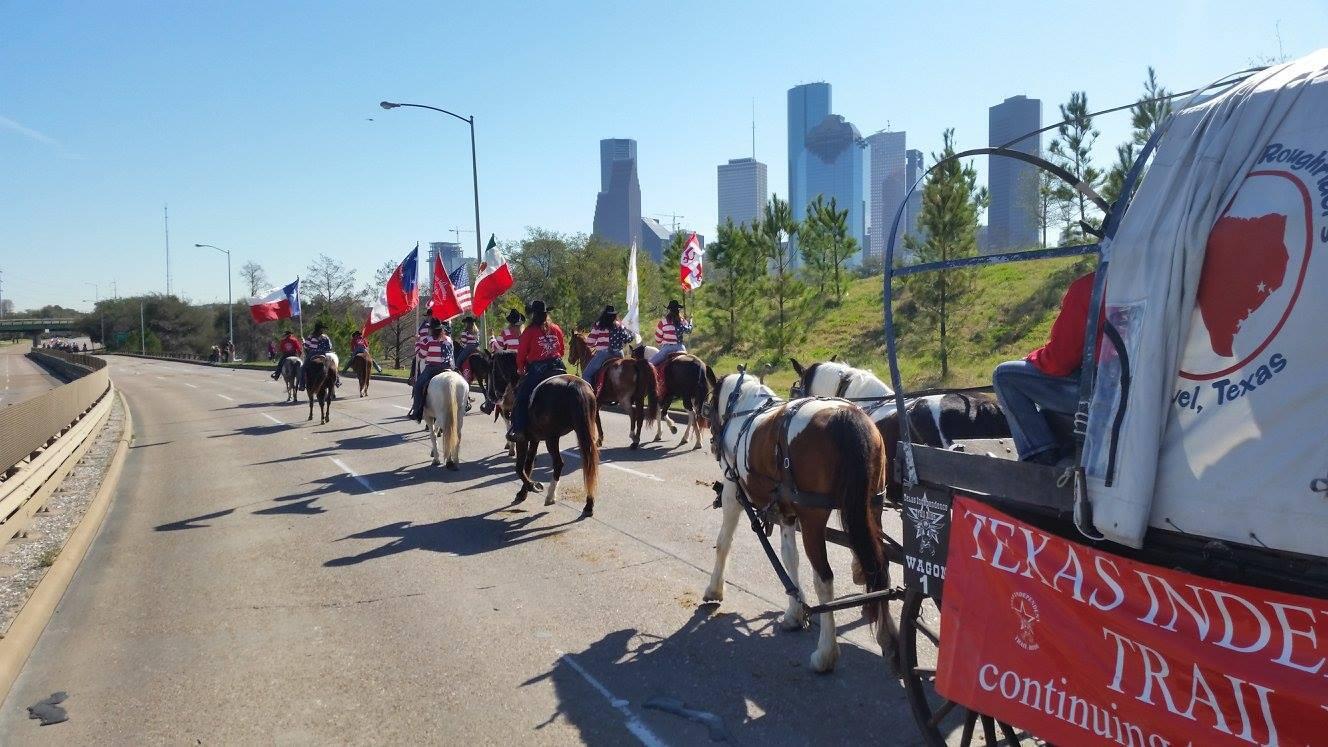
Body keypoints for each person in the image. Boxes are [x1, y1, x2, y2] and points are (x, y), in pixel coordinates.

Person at [991, 271, 1098, 467]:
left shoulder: (1091, 286)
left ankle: (1040, 455)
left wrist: (1032, 359)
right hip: (1141, 386)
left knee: (1004, 375)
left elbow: (1059, 361)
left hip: (1099, 391)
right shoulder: (1158, 280)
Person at [507, 300, 566, 441]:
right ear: (547, 314)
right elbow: (562, 350)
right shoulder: (556, 328)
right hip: (558, 366)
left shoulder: (529, 331)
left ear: (533, 315)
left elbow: (521, 354)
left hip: (539, 369)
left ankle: (519, 430)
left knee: (521, 397)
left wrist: (521, 368)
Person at [407, 318, 453, 422]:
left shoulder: (427, 340)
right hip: (447, 368)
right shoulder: (448, 340)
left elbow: (421, 355)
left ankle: (417, 411)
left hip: (432, 368)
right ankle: (465, 402)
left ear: (431, 329)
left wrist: (418, 342)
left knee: (418, 386)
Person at [581, 305, 631, 387]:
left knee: (586, 375)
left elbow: (590, 342)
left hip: (604, 354)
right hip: (619, 353)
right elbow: (625, 338)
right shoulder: (620, 325)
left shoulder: (599, 325)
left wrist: (596, 344)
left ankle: (590, 397)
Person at [649, 300, 692, 366]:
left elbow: (658, 339)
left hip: (667, 349)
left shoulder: (663, 322)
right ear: (678, 310)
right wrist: (688, 320)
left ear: (669, 310)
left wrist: (662, 342)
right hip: (680, 348)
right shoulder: (682, 321)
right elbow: (688, 330)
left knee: (649, 364)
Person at [302, 322, 339, 390]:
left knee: (304, 367)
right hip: (324, 353)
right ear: (320, 329)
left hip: (313, 353)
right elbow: (329, 347)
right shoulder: (325, 337)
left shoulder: (311, 336)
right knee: (333, 364)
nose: (322, 330)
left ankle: (302, 384)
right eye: (322, 329)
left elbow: (306, 346)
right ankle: (337, 381)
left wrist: (304, 343)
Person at [455, 316, 481, 381]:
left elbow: (464, 343)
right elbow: (477, 341)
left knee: (459, 360)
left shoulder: (465, 332)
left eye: (466, 323)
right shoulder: (476, 331)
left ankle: (456, 370)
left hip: (468, 348)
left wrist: (460, 342)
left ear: (467, 323)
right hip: (477, 347)